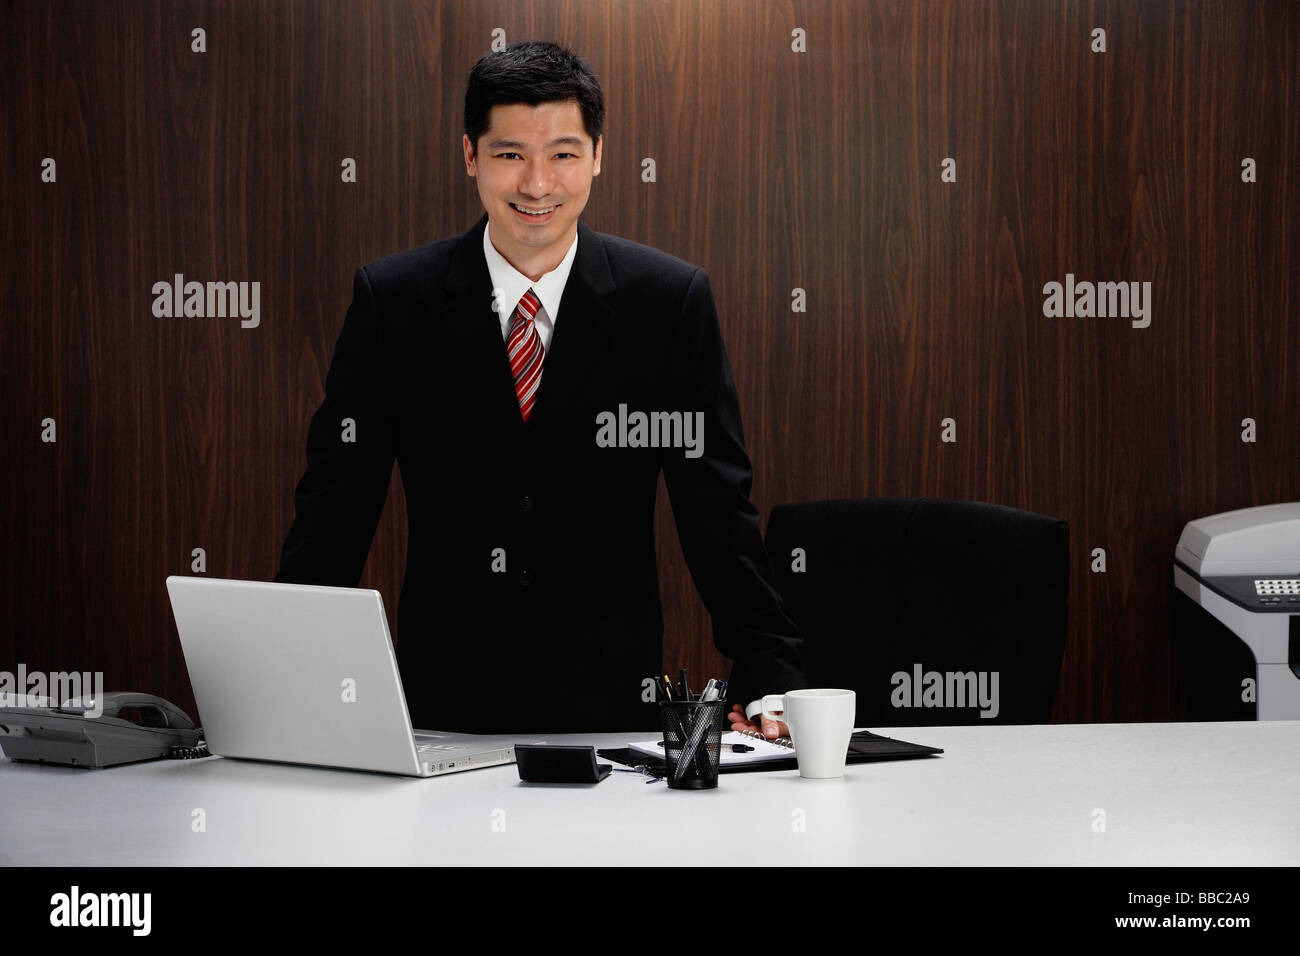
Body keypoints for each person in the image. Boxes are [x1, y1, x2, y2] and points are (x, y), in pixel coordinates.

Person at [275, 40, 805, 737]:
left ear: (598, 155)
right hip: (445, 709)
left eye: (562, 153)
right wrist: (289, 679)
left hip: (615, 712)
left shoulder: (667, 302)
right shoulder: (395, 301)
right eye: (508, 154)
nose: (536, 184)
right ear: (469, 155)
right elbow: (333, 512)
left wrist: (768, 666)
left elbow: (716, 507)